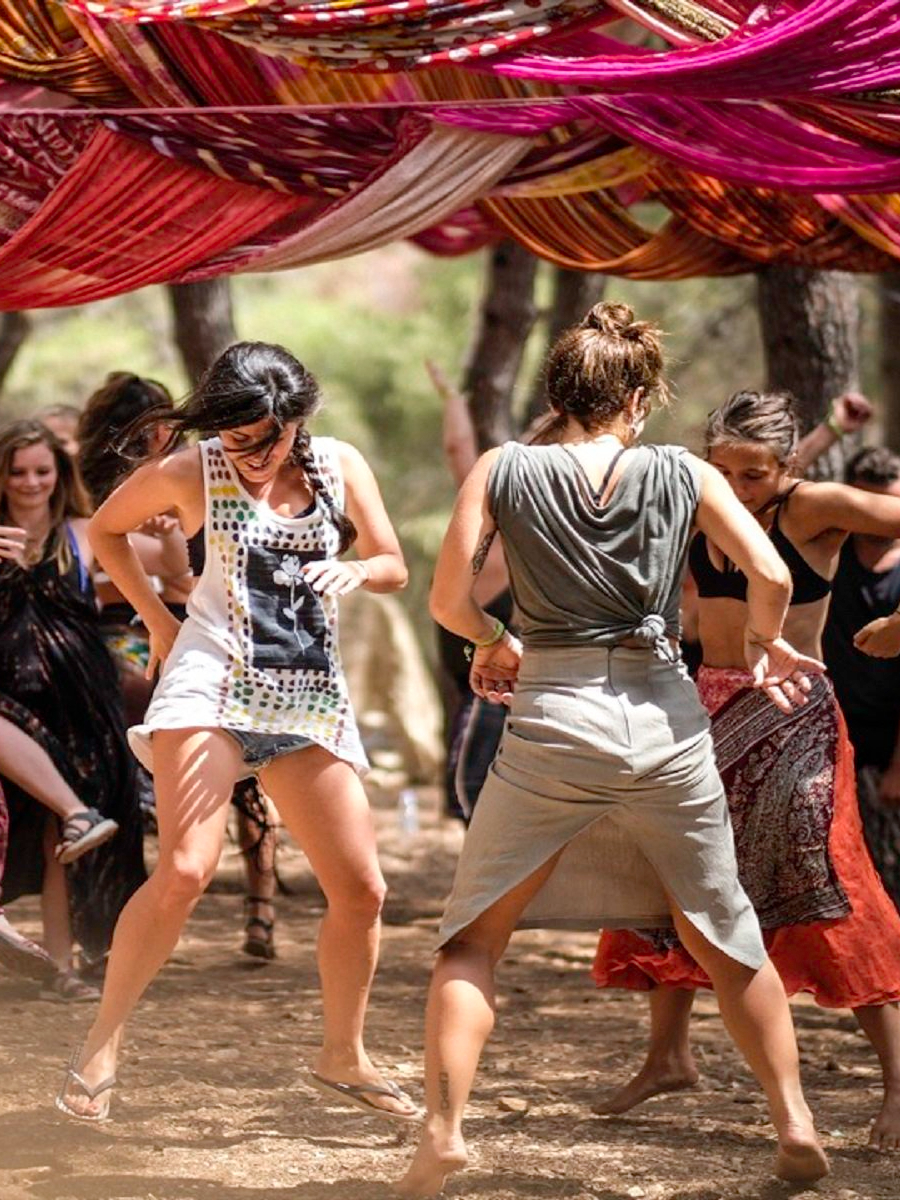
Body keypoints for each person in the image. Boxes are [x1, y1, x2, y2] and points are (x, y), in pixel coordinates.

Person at [397, 304, 829, 1197]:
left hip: (552, 714)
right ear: (637, 397)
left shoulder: (503, 467)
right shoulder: (680, 470)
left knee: (472, 940)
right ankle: (795, 1124)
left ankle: (441, 1132)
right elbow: (775, 574)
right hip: (665, 718)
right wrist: (765, 641)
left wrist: (490, 641)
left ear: (560, 392)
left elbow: (446, 599)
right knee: (727, 936)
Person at [57, 341, 417, 1123]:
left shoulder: (340, 466)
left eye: (266, 439)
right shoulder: (191, 470)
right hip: (211, 681)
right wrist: (158, 618)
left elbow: (393, 563)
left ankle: (343, 1055)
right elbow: (104, 533)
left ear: (297, 424)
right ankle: (100, 1047)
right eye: (234, 439)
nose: (250, 456)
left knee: (362, 889)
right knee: (186, 868)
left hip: (306, 693)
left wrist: (357, 571)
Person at [592, 390, 900, 1152]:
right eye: (720, 470)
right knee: (674, 875)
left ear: (789, 464)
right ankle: (668, 1057)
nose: (735, 487)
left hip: (795, 714)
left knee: (829, 886)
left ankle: (898, 1083)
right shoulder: (702, 494)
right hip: (701, 709)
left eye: (754, 475)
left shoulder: (816, 505)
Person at [78, 370, 281, 962]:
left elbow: (192, 577)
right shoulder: (98, 492)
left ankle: (261, 908)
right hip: (127, 639)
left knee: (252, 774)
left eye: (165, 425)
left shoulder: (199, 478)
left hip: (196, 633)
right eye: (147, 428)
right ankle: (138, 905)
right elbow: (87, 569)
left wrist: (167, 574)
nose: (160, 437)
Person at [0, 420, 145, 999]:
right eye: (17, 471)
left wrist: (163, 527)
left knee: (64, 837)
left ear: (60, 475)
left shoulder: (86, 532)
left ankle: (60, 969)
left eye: (42, 470)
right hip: (10, 695)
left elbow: (177, 564)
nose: (30, 482)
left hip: (79, 699)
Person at [822, 446, 900, 912]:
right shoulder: (828, 556)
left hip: (892, 737)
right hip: (836, 737)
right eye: (874, 506)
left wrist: (899, 764)